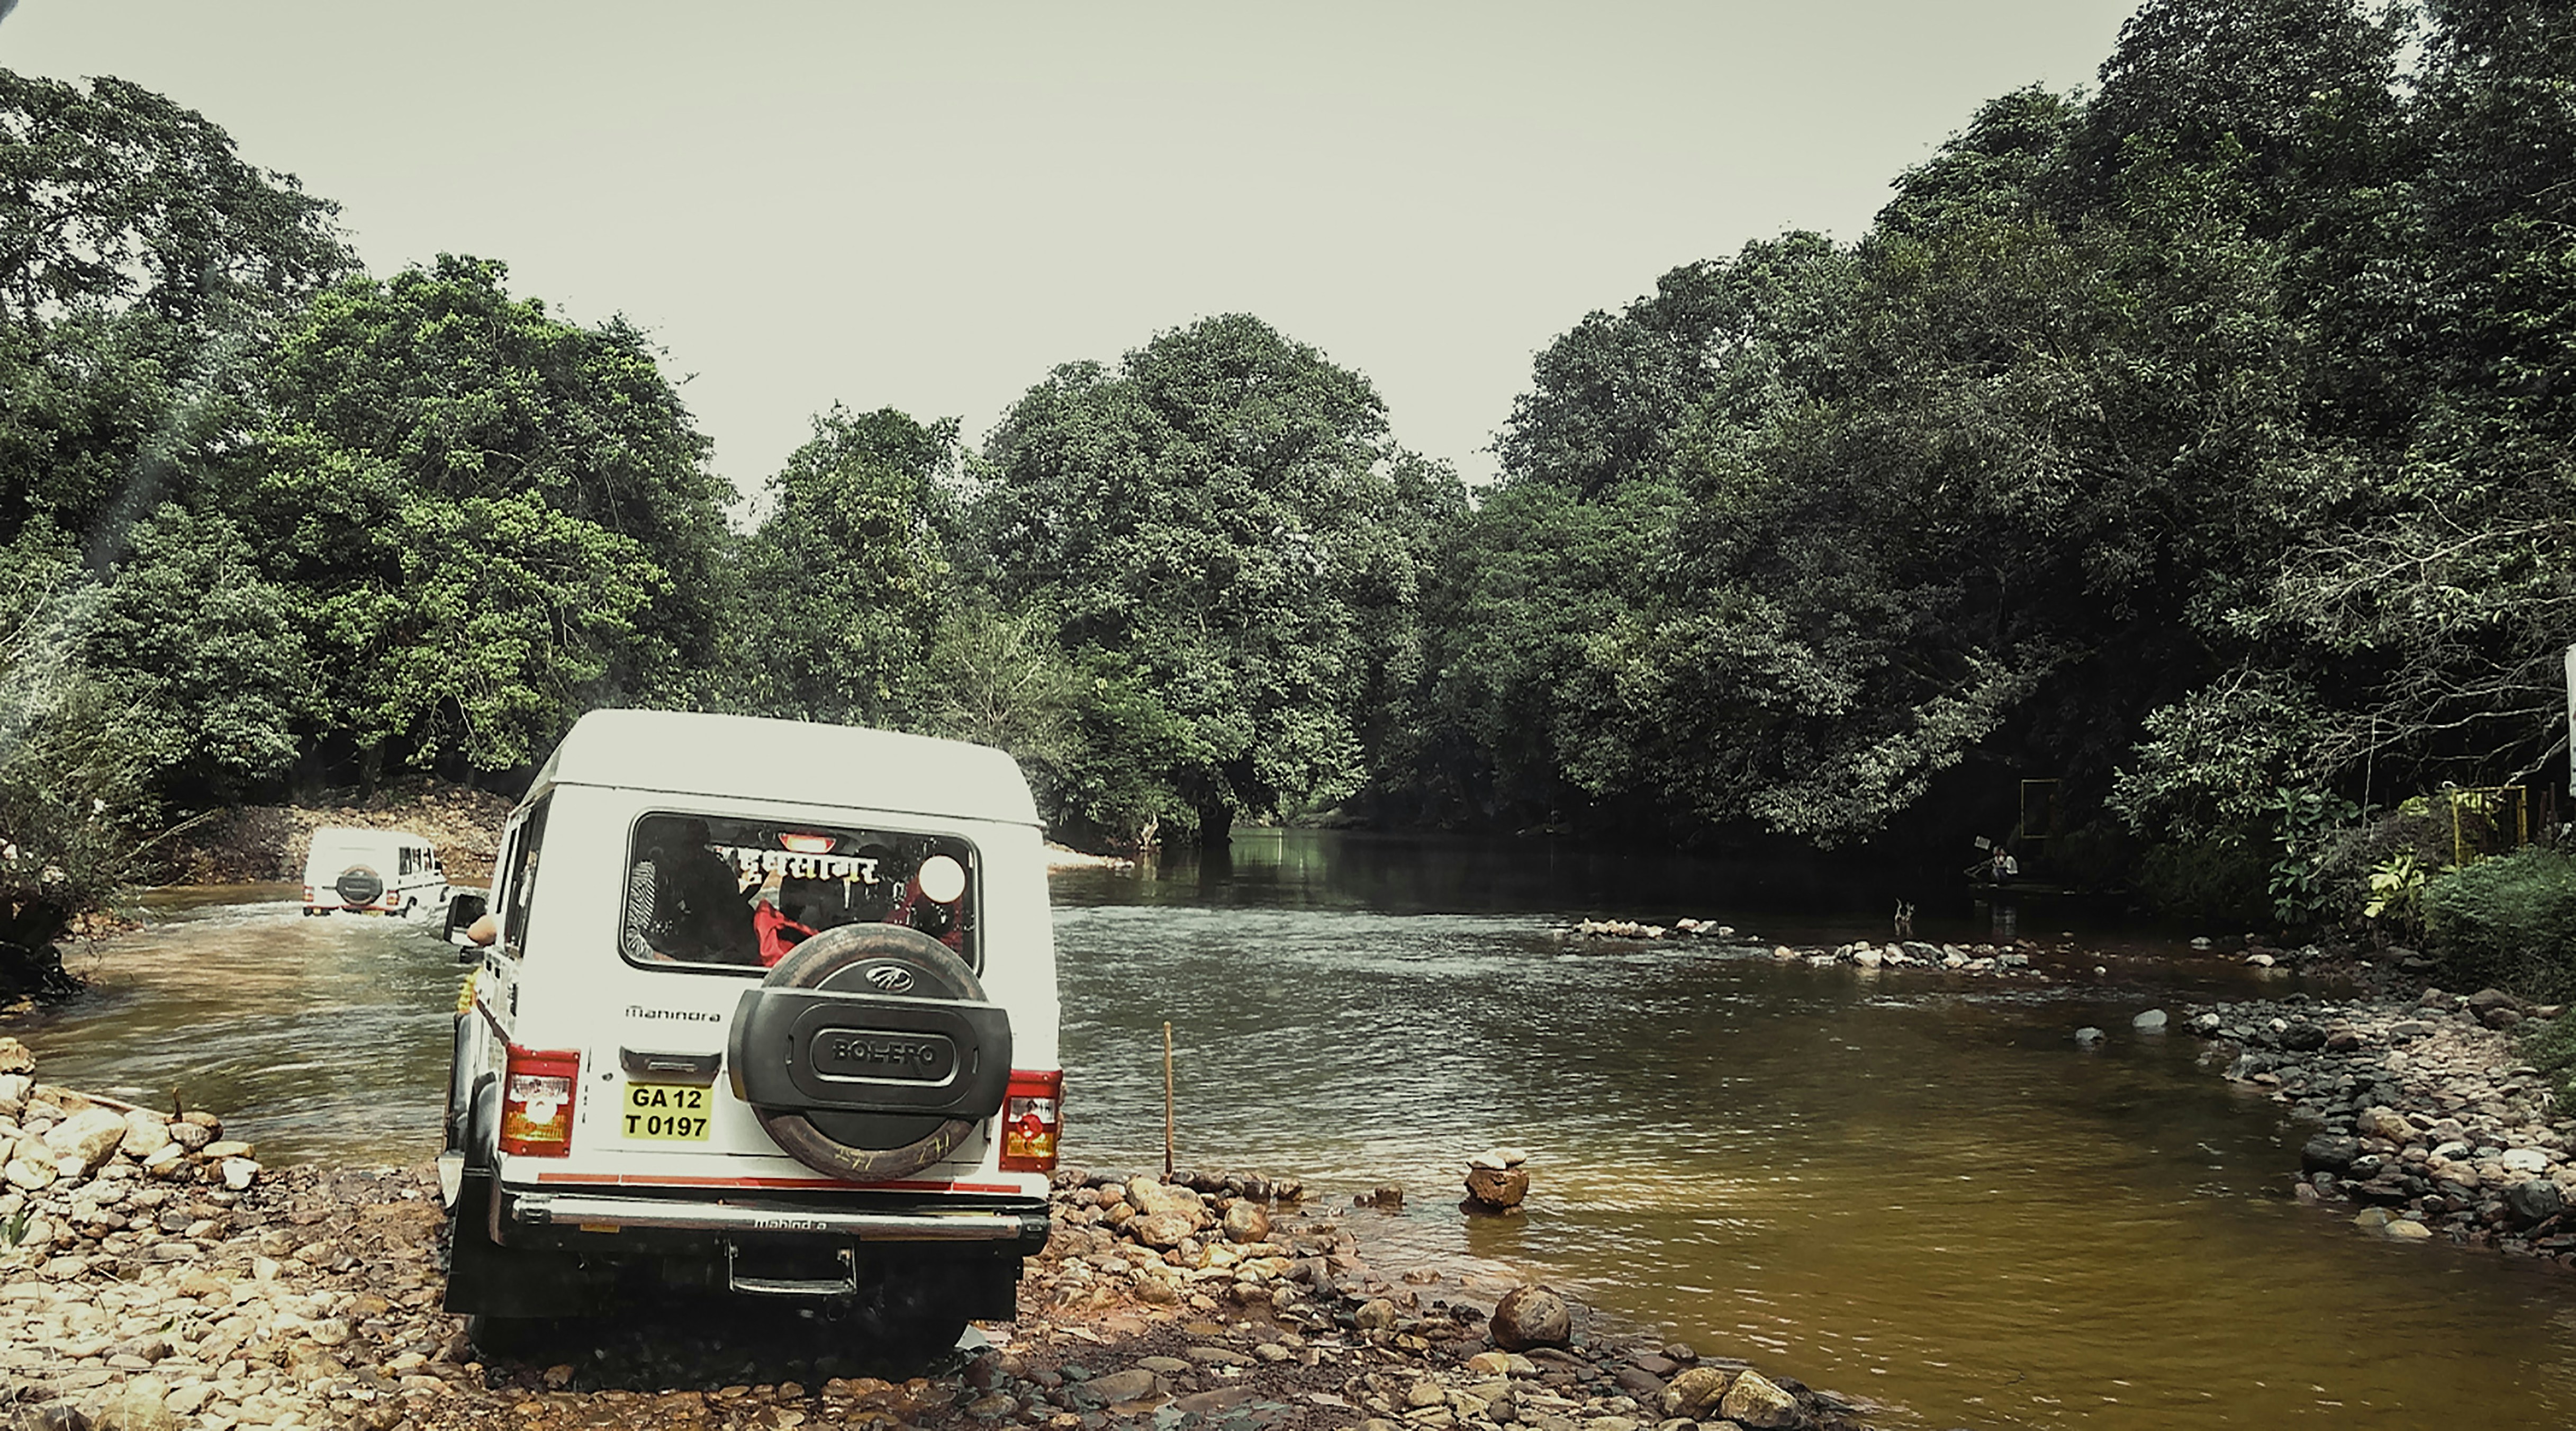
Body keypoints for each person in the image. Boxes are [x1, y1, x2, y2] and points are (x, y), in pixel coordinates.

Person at [623, 816, 757, 965]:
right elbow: (628, 939)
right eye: (689, 846)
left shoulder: (683, 879)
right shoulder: (648, 873)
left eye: (699, 846)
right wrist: (666, 962)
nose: (695, 854)